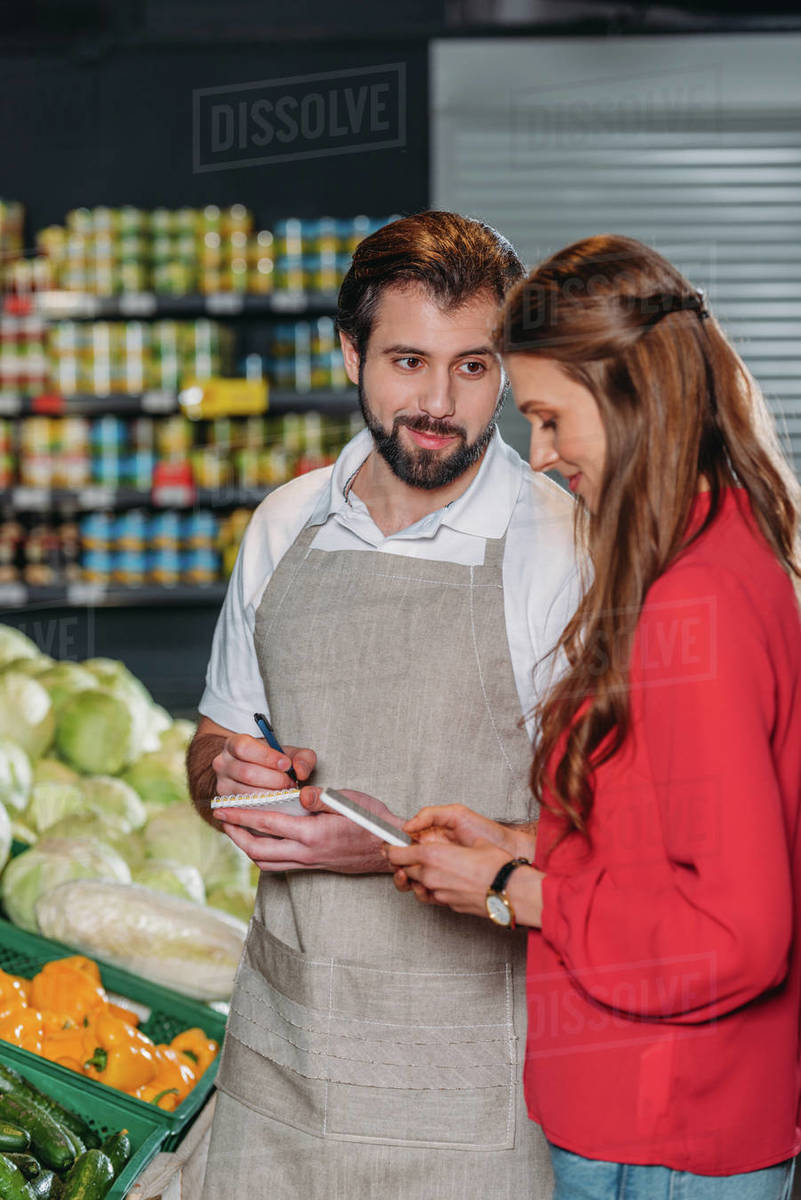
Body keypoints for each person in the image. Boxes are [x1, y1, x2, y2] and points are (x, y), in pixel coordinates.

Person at [385, 233, 801, 1200]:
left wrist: (512, 890)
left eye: (548, 417)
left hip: (660, 1130)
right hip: (659, 1117)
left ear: (628, 394)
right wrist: (533, 844)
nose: (541, 453)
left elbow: (737, 934)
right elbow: (680, 834)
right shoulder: (713, 555)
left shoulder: (692, 603)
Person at [188, 211, 582, 1199]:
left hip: (469, 1089)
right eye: (408, 360)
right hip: (280, 1069)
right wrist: (229, 778)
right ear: (351, 352)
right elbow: (214, 742)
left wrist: (386, 842)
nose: (440, 403)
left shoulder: (563, 544)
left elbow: (622, 840)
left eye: (475, 367)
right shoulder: (286, 526)